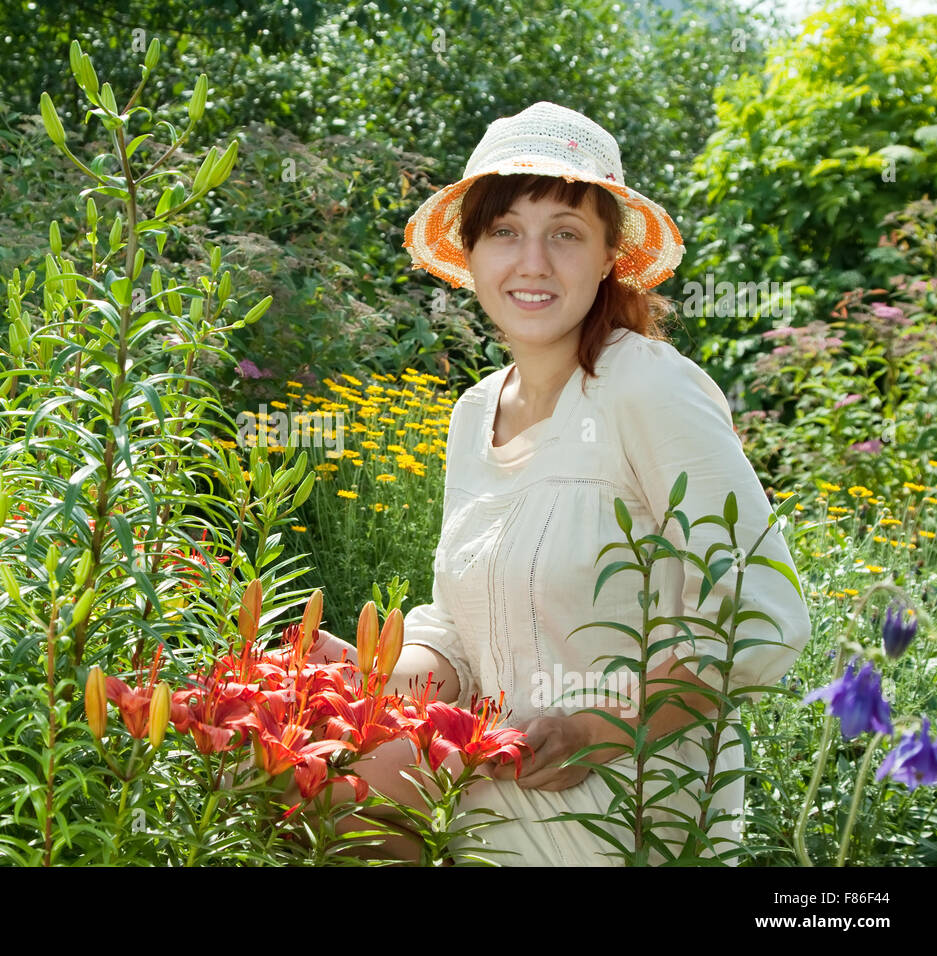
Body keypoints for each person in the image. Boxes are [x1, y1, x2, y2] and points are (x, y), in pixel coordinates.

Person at [304, 101, 813, 865]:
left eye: (565, 234)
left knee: (316, 801)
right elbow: (462, 639)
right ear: (471, 253)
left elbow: (762, 614)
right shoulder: (476, 413)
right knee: (284, 770)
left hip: (626, 804)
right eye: (505, 231)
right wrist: (370, 671)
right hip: (503, 774)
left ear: (609, 254)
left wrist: (595, 732)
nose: (532, 262)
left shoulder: (645, 387)